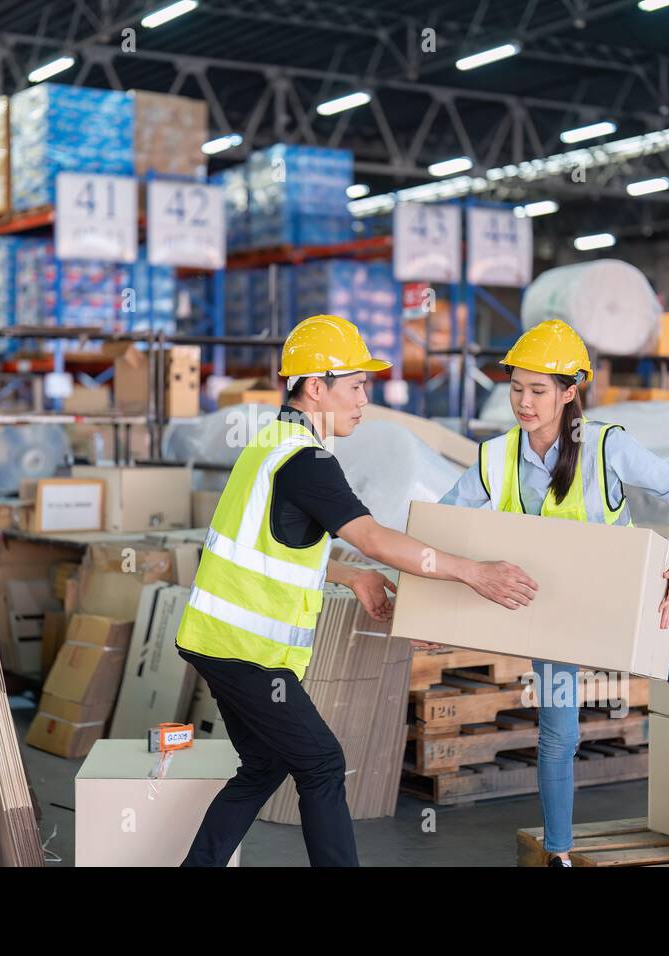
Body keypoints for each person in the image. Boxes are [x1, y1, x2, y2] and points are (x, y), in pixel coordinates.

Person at [176, 313, 537, 867]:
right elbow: (372, 537)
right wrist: (474, 571)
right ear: (316, 387)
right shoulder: (307, 460)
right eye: (356, 385)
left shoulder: (272, 444)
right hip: (244, 650)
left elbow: (274, 545)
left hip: (221, 641)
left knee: (264, 766)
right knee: (321, 763)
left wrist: (351, 576)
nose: (366, 398)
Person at [440, 319, 669, 867]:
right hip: (553, 609)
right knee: (559, 735)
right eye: (516, 387)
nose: (523, 402)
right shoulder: (494, 458)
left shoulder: (607, 446)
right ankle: (560, 857)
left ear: (570, 392)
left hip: (630, 598)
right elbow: (442, 527)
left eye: (538, 390)